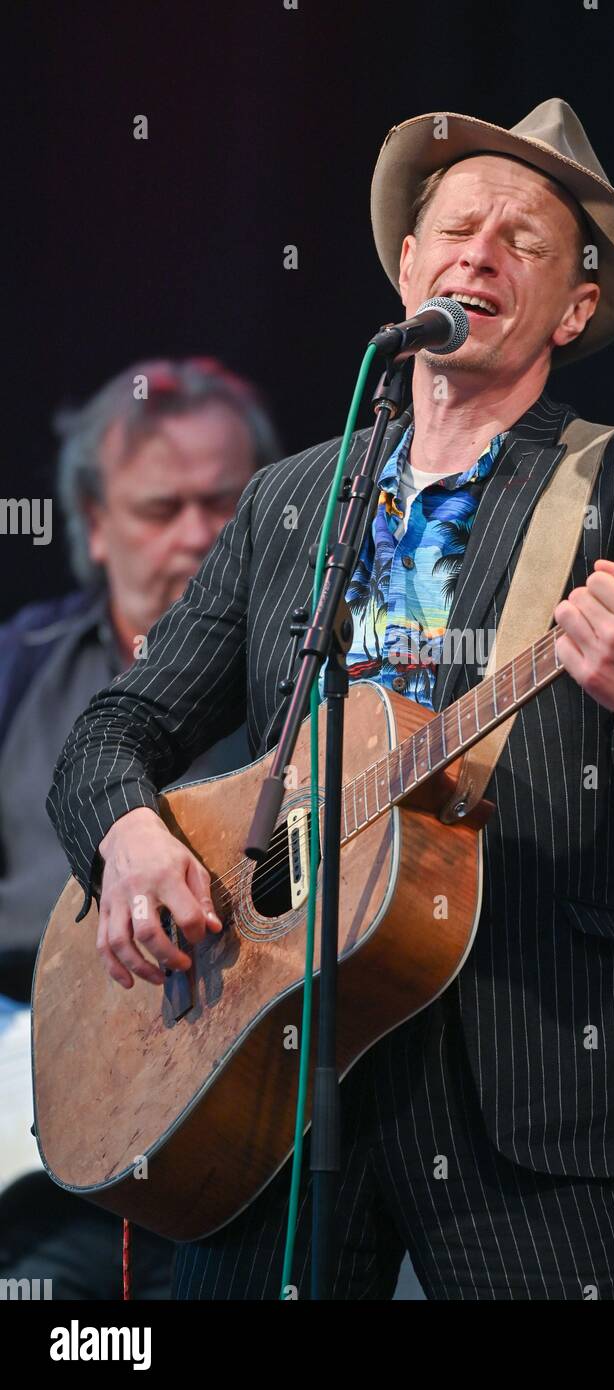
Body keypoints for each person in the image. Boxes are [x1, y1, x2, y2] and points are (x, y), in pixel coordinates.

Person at [48, 100, 614, 1300]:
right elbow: (113, 731)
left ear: (573, 307)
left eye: (522, 241)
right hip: (264, 1060)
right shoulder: (288, 499)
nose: (480, 253)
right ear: (408, 265)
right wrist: (126, 839)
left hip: (522, 1066)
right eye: (456, 229)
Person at [0, 356, 280, 1297]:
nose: (200, 536)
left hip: (254, 1148)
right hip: (39, 1169)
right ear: (92, 526)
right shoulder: (17, 672)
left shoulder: (317, 681)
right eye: (163, 510)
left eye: (226, 506)